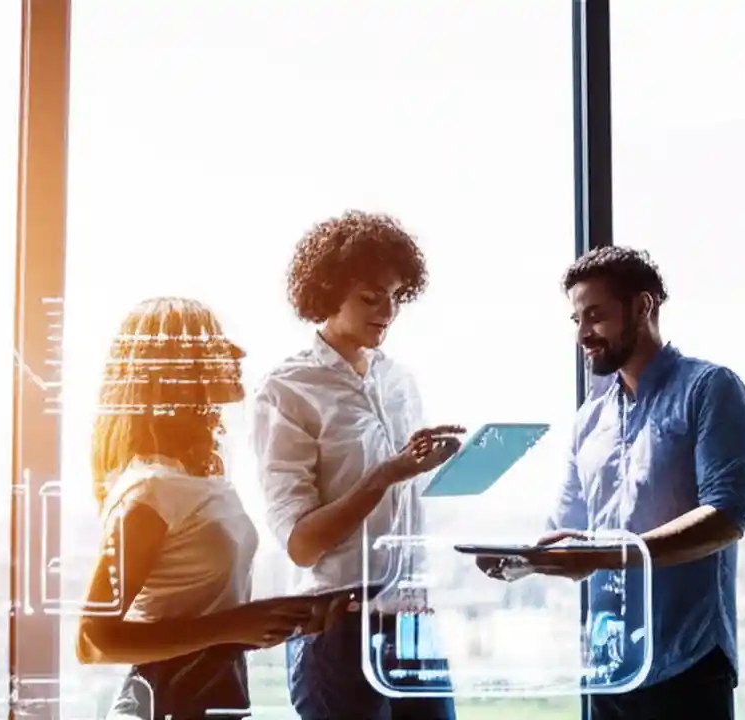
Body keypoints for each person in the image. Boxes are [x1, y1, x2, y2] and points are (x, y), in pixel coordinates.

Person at [482, 247, 745, 719]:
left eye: (595, 316)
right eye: (576, 320)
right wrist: (523, 559)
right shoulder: (589, 421)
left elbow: (727, 517)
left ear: (643, 306)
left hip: (687, 663)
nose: (582, 334)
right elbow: (567, 531)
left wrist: (606, 555)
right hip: (607, 668)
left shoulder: (709, 389)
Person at [77, 297, 347, 720]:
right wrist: (234, 625)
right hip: (164, 701)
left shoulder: (202, 480)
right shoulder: (150, 492)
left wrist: (270, 621)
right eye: (216, 345)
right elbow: (92, 640)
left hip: (216, 693)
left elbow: (207, 616)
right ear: (175, 372)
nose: (237, 353)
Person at [253, 210, 464, 720]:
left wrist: (439, 465)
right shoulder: (288, 390)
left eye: (396, 296)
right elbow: (302, 545)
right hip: (338, 628)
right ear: (328, 293)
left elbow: (406, 506)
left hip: (411, 618)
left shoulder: (399, 381)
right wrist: (386, 474)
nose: (388, 311)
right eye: (371, 297)